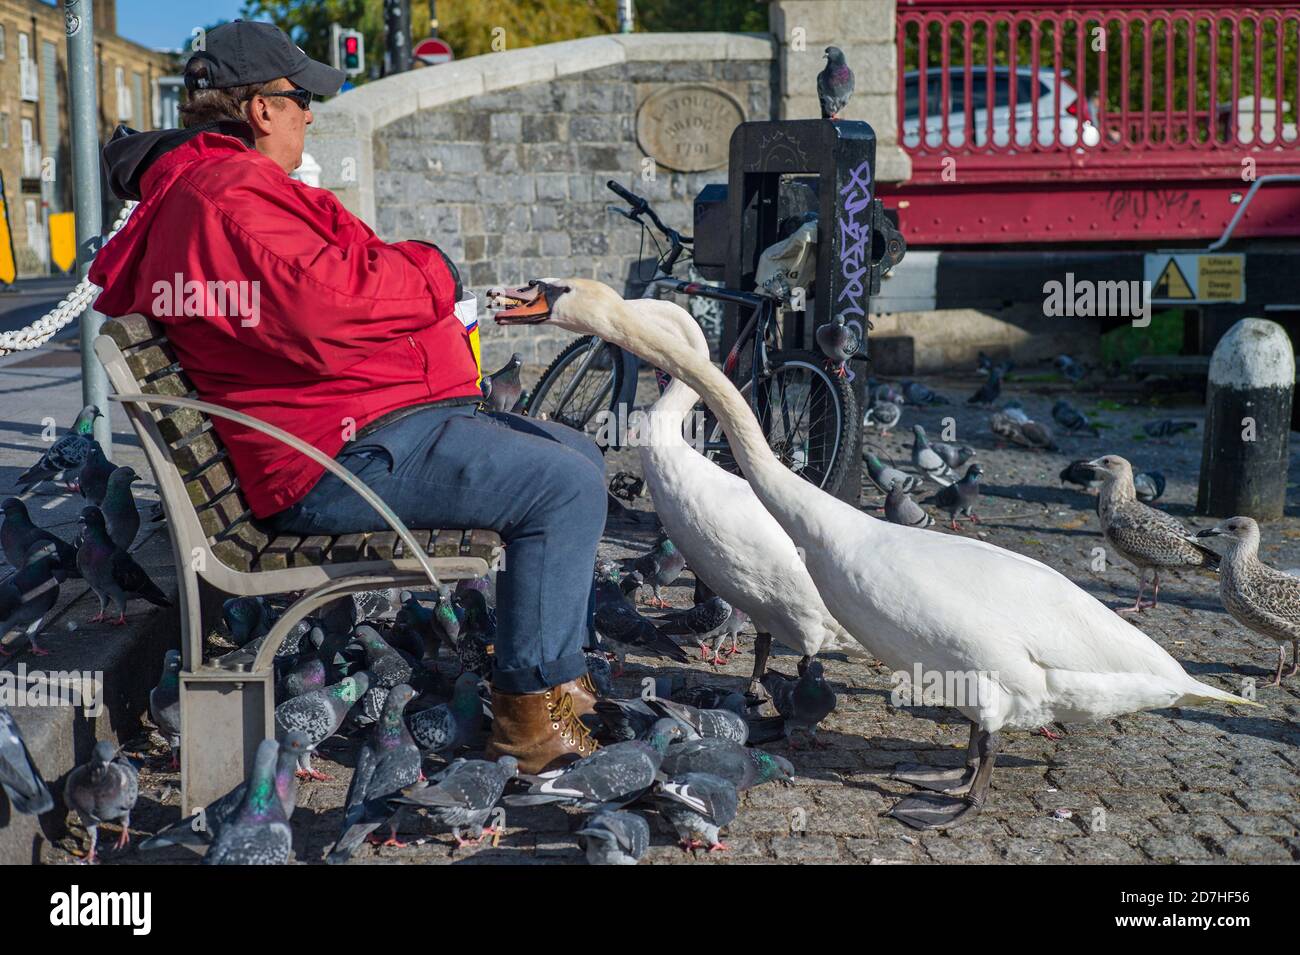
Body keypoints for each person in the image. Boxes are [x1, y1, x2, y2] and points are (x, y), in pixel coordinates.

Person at [89, 20, 604, 772]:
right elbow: (330, 302)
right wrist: (432, 269)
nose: (309, 115)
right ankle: (531, 717)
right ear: (260, 108)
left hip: (353, 430)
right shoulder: (228, 197)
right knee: (560, 485)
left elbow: (340, 279)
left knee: (577, 452)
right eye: (300, 100)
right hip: (335, 457)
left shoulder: (234, 187)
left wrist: (401, 273)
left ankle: (557, 679)